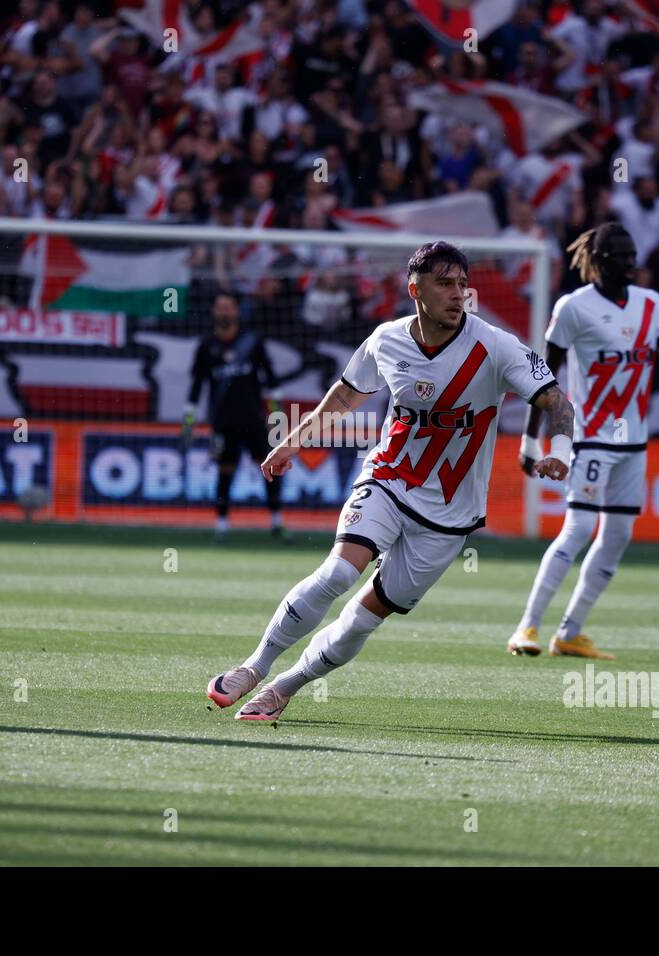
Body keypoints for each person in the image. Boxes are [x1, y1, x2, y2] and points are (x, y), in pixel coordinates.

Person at [205, 241, 575, 722]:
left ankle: (285, 687)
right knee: (339, 572)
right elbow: (344, 395)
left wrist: (560, 451)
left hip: (449, 512)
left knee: (361, 620)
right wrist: (294, 441)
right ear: (414, 289)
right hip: (388, 478)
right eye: (445, 283)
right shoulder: (387, 339)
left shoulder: (496, 346)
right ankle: (254, 666)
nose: (458, 293)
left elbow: (556, 402)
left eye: (463, 284)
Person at [508, 223, 659, 660]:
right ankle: (526, 627)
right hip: (588, 436)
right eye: (623, 256)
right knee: (580, 527)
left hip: (634, 442)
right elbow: (541, 379)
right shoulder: (573, 307)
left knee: (618, 535)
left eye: (634, 254)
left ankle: (570, 632)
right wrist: (532, 442)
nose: (632, 262)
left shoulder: (651, 304)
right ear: (600, 261)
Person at [185, 292, 286, 541]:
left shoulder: (252, 342)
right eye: (220, 307)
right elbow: (197, 385)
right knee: (224, 472)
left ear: (236, 311)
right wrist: (188, 419)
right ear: (214, 312)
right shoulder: (206, 346)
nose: (224, 312)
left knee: (270, 467)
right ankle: (221, 525)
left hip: (253, 418)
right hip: (222, 421)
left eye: (228, 307)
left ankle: (276, 522)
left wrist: (278, 413)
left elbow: (270, 378)